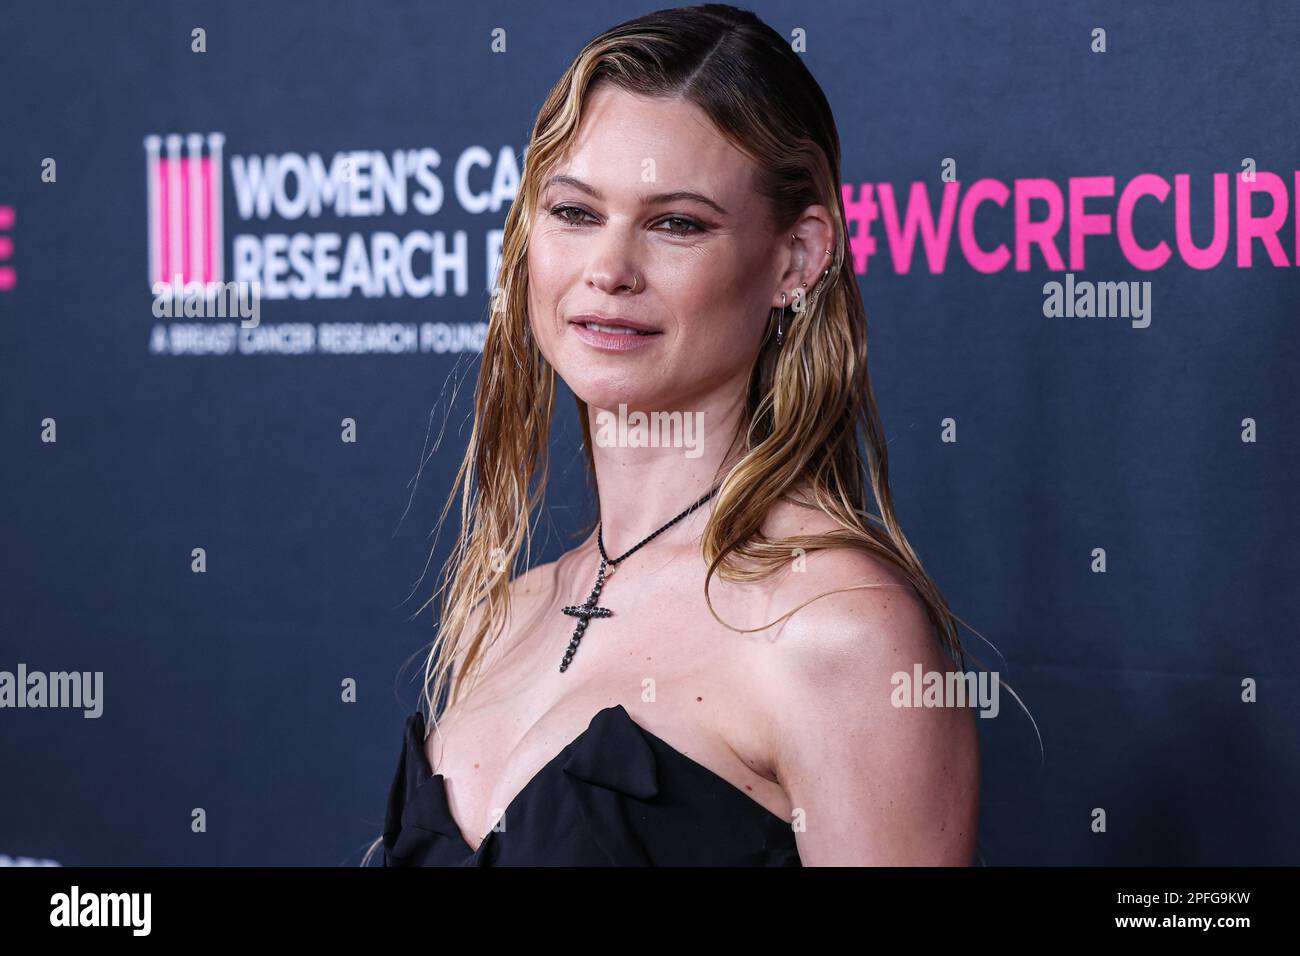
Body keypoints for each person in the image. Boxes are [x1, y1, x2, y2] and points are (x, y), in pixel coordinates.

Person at [368, 3, 980, 866]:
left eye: (676, 223)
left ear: (796, 259)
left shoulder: (836, 628)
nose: (609, 271)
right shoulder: (500, 619)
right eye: (576, 212)